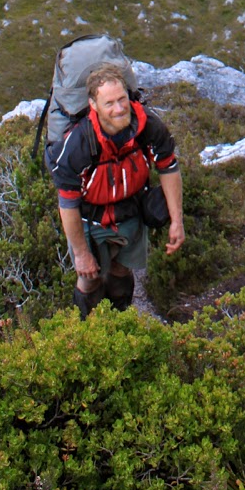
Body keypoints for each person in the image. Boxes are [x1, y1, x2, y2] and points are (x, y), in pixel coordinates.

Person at [52, 65, 185, 317]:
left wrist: (177, 221)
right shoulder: (79, 144)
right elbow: (67, 202)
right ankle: (85, 331)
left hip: (130, 212)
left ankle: (121, 321)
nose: (119, 108)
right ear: (93, 105)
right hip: (89, 220)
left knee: (122, 271)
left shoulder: (147, 125)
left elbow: (168, 166)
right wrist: (81, 254)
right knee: (89, 278)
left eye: (122, 99)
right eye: (109, 103)